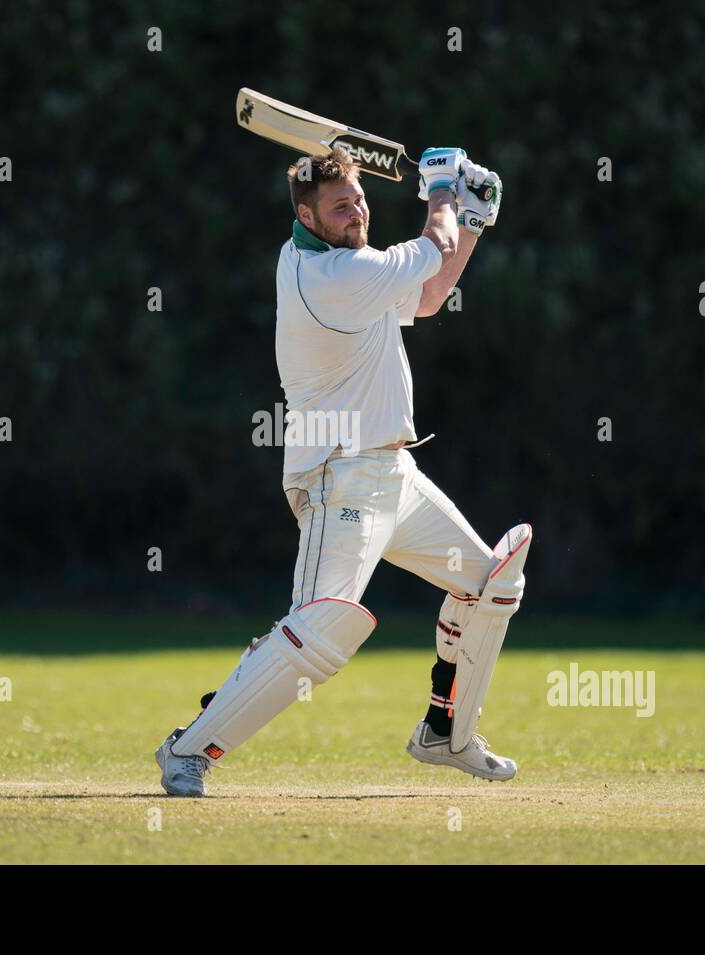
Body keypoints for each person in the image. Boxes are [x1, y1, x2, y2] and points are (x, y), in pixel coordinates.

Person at [155, 145, 531, 796]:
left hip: (392, 470)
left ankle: (447, 732)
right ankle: (188, 749)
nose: (356, 209)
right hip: (339, 476)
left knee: (490, 587)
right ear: (307, 214)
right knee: (318, 628)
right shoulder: (330, 276)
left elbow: (433, 292)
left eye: (358, 198)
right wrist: (445, 193)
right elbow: (431, 250)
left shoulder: (360, 272)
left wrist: (469, 217)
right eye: (339, 204)